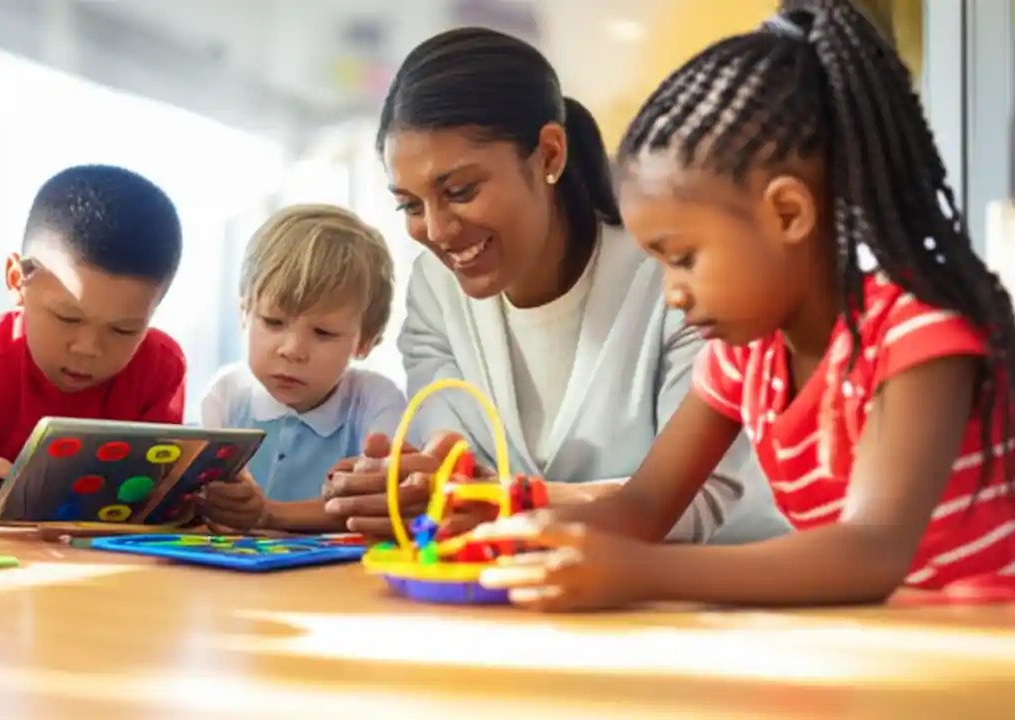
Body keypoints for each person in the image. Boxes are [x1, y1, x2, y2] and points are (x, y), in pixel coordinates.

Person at [473, 0, 1015, 611]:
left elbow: (869, 552)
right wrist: (518, 540)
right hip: (880, 646)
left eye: (683, 257)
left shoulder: (914, 333)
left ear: (787, 213)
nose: (672, 292)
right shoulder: (746, 356)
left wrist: (641, 572)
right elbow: (645, 506)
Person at [323, 26, 789, 543]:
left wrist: (497, 499)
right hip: (544, 595)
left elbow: (691, 503)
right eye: (409, 205)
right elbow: (459, 480)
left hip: (720, 595)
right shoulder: (435, 290)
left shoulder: (675, 272)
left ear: (549, 155)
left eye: (459, 190)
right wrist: (411, 487)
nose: (435, 231)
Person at [0, 165, 194, 523]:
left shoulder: (162, 363)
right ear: (17, 280)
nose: (88, 348)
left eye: (124, 330)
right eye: (68, 318)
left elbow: (156, 499)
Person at [199, 204, 406, 531]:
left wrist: (268, 513)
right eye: (273, 321)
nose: (292, 350)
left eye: (323, 333)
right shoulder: (225, 396)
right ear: (244, 312)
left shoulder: (376, 400)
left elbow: (379, 503)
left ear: (365, 341)